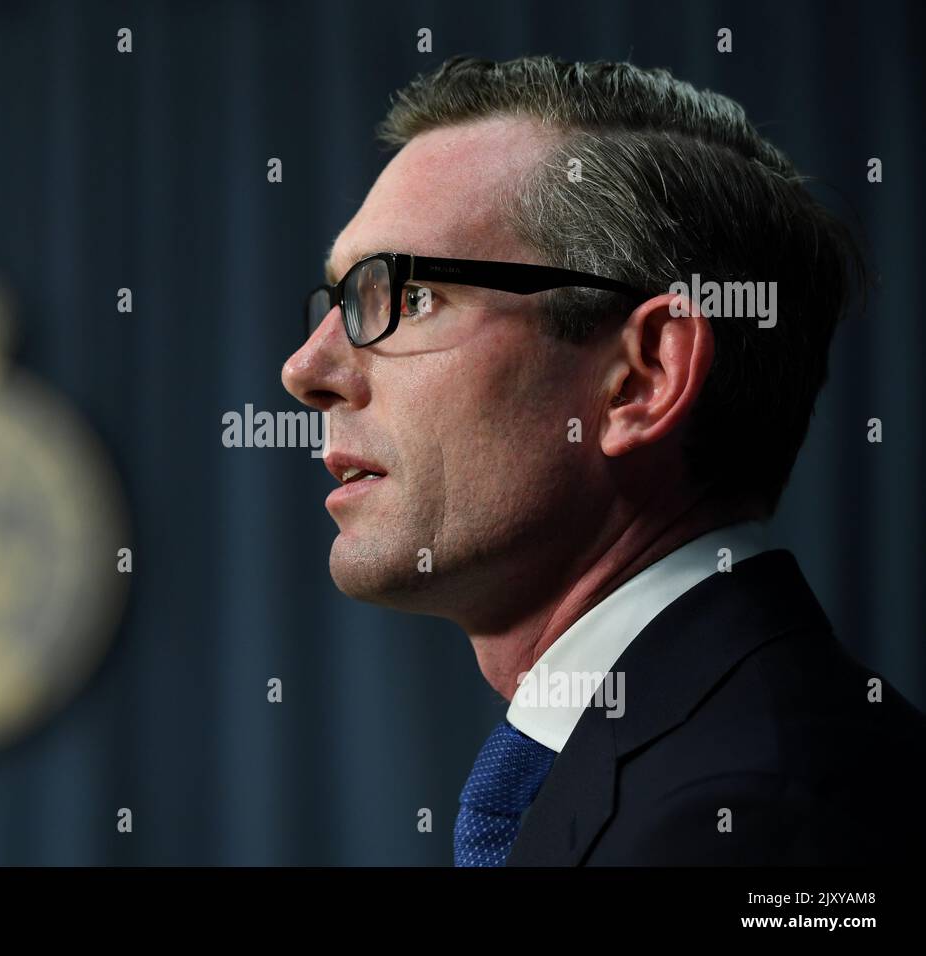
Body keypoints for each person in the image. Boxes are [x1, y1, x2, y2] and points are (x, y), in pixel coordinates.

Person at [281, 54, 925, 865]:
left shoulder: (756, 824)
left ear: (642, 379)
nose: (306, 370)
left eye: (407, 298)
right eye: (337, 301)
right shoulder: (667, 762)